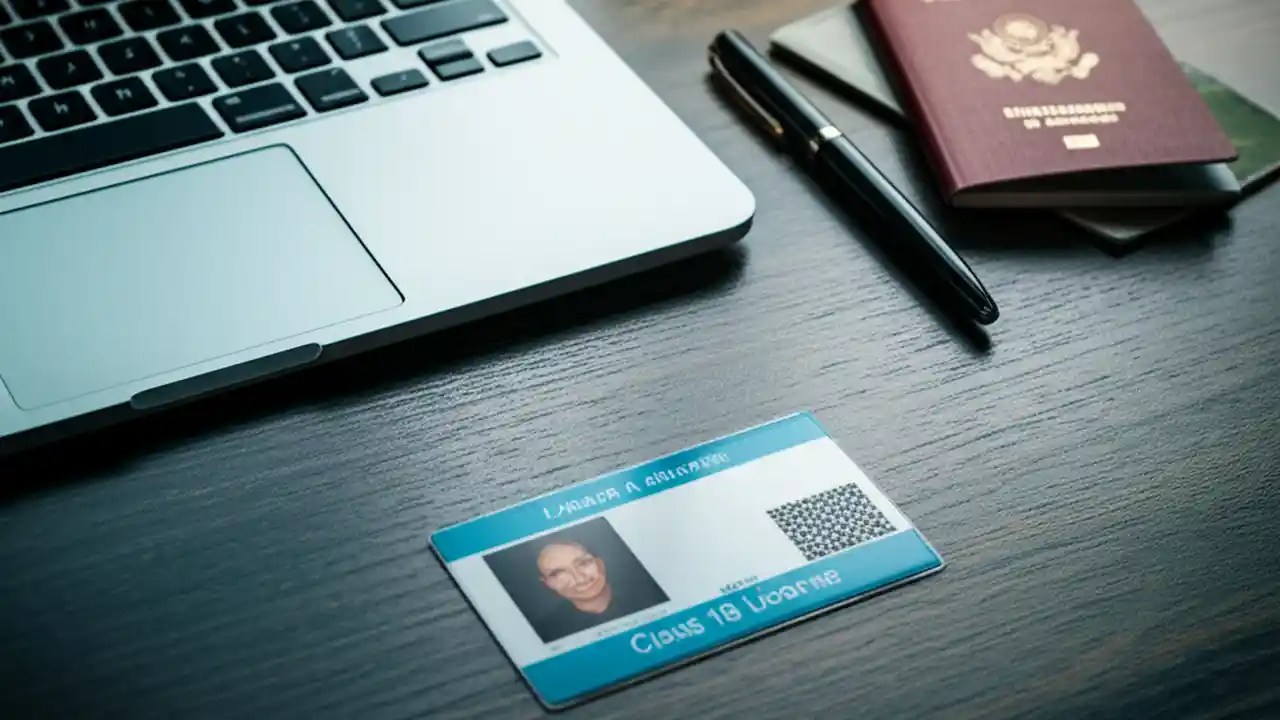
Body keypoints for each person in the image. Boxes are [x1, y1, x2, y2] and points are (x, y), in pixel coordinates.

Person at [534, 539, 665, 640]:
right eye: (558, 573)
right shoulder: (548, 631)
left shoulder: (654, 592)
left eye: (583, 563)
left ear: (600, 564)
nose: (579, 578)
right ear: (548, 584)